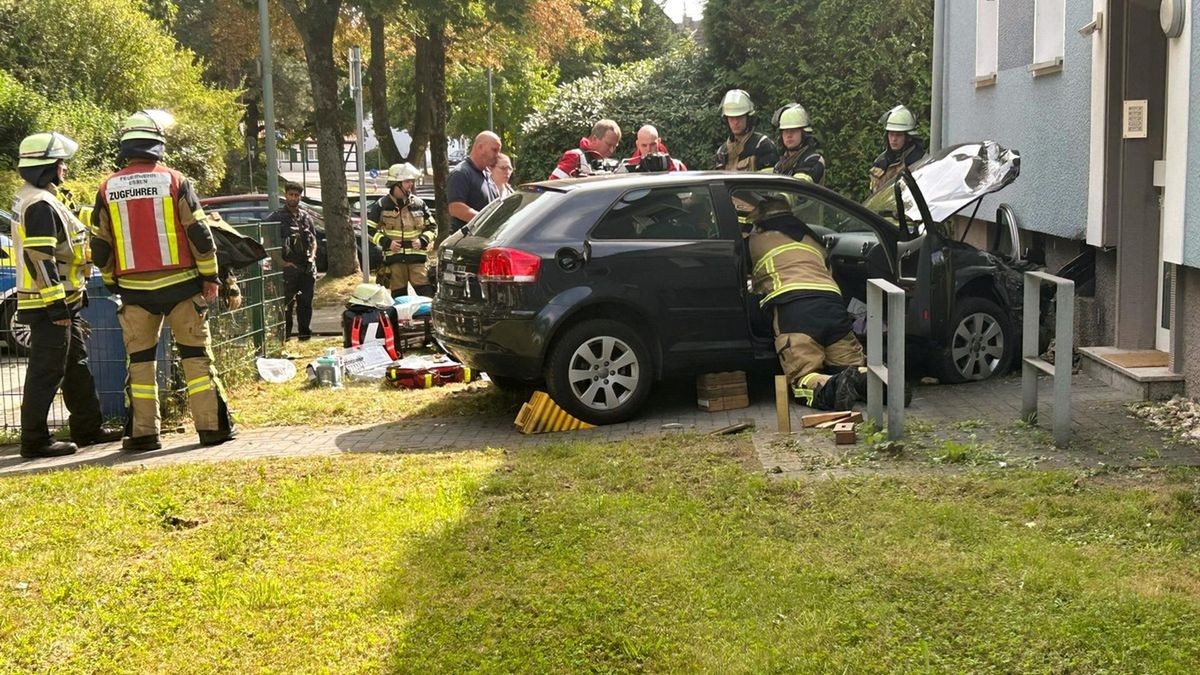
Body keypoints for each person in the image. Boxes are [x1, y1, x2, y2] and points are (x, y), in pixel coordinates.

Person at [91, 109, 236, 452]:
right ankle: (212, 429)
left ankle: (142, 434)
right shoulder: (174, 180)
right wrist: (210, 277)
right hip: (183, 287)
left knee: (140, 364)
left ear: (125, 149)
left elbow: (100, 246)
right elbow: (199, 234)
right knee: (196, 358)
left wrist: (113, 282)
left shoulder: (107, 187)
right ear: (158, 146)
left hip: (135, 293)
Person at [13, 132, 122, 458]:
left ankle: (88, 428)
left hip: (64, 300)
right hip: (51, 304)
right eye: (60, 163)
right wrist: (57, 304)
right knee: (47, 369)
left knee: (74, 362)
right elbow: (40, 258)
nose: (64, 168)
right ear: (46, 167)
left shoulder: (35, 197)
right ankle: (35, 440)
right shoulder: (41, 205)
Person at [747, 197, 868, 410]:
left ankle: (830, 388)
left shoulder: (755, 241)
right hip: (832, 304)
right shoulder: (814, 239)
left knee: (803, 376)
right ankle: (878, 383)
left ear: (761, 221)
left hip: (794, 309)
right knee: (848, 366)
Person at [367, 163, 436, 298]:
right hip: (395, 261)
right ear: (396, 183)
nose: (410, 184)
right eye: (407, 181)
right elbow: (369, 230)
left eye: (411, 181)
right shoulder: (381, 205)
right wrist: (386, 242)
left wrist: (423, 240)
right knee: (399, 300)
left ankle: (429, 319)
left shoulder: (419, 204)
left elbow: (433, 227)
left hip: (417, 259)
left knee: (427, 297)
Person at [267, 182, 317, 339]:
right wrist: (281, 262)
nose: (293, 198)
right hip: (287, 268)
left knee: (305, 302)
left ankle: (304, 334)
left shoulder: (306, 217)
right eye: (291, 194)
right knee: (286, 304)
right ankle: (285, 336)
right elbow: (267, 242)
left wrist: (312, 256)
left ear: (300, 197)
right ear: (286, 195)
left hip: (306, 267)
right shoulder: (276, 217)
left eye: (296, 195)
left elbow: (313, 240)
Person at [447, 131, 501, 231]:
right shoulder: (461, 173)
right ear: (480, 147)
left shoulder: (487, 174)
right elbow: (455, 208)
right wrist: (486, 221)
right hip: (466, 243)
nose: (497, 155)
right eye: (494, 150)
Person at [713, 89, 778, 172]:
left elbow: (770, 183)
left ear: (748, 118)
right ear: (726, 120)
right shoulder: (722, 151)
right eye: (731, 118)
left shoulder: (762, 145)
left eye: (739, 117)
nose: (735, 122)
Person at [869, 104, 926, 193]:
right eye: (891, 134)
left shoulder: (919, 162)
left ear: (908, 137)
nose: (894, 139)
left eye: (898, 135)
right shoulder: (880, 163)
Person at [549, 120, 622, 179]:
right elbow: (553, 186)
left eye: (614, 146)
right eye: (608, 144)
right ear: (594, 139)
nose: (611, 150)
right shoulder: (575, 157)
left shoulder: (607, 163)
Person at [772, 104, 826, 184]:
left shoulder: (813, 160)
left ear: (804, 134)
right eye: (785, 131)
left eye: (793, 130)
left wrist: (781, 196)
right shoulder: (780, 165)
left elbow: (798, 186)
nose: (789, 135)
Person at [619, 125, 688, 172]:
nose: (648, 149)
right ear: (638, 144)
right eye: (644, 145)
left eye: (652, 144)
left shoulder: (678, 167)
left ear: (659, 142)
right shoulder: (628, 170)